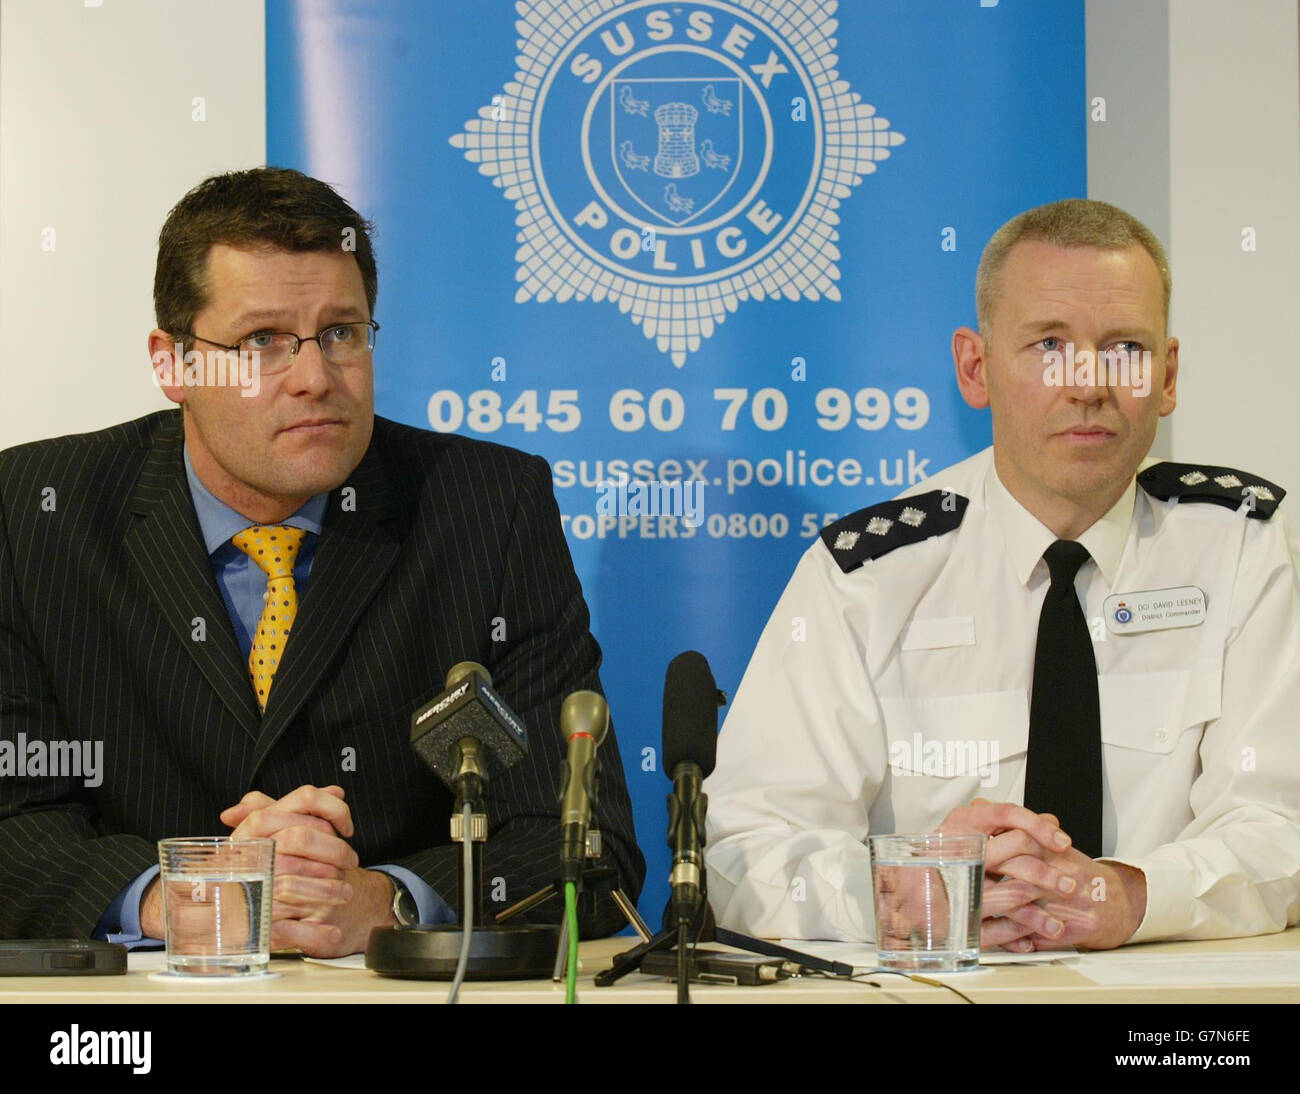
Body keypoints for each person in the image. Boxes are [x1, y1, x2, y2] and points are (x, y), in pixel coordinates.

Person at [0, 167, 644, 955]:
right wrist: (175, 898)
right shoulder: (34, 511)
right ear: (174, 364)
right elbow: (12, 823)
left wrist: (390, 901)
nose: (315, 379)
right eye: (261, 341)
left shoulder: (487, 507)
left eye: (342, 332)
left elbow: (586, 846)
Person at [704, 198, 1300, 951]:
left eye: (1124, 349)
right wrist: (906, 894)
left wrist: (1136, 895)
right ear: (975, 366)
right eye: (1051, 345)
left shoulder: (1240, 546)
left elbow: (1282, 823)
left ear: (1169, 375)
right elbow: (742, 851)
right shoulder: (867, 574)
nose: (1089, 384)